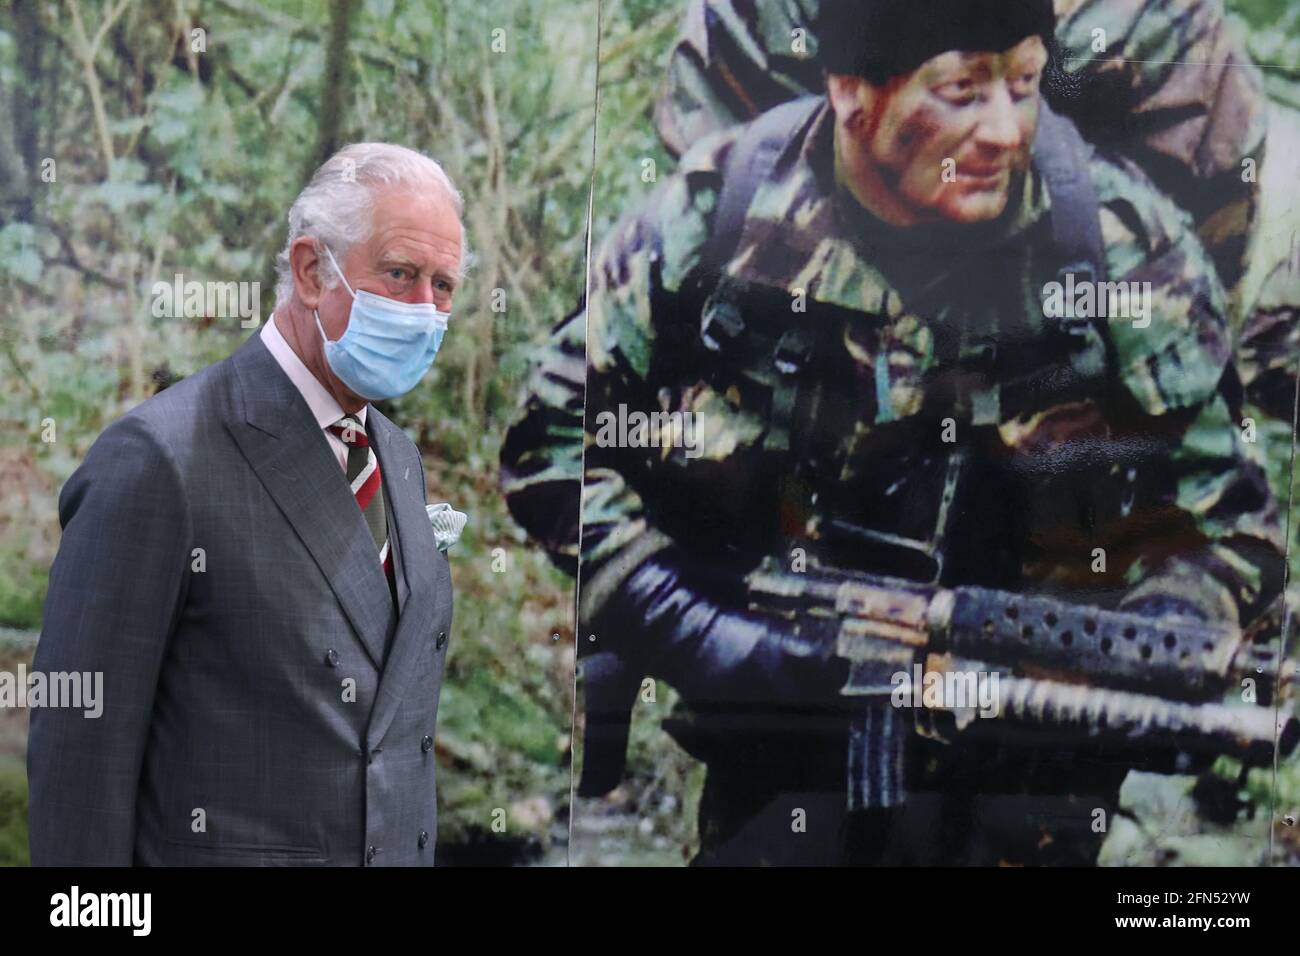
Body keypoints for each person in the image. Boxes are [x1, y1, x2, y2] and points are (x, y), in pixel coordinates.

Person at [502, 0, 1285, 865]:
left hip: (1031, 780)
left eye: (1025, 84)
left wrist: (1142, 649)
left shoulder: (1116, 249)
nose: (1005, 130)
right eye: (960, 91)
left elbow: (1235, 533)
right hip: (781, 752)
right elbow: (552, 440)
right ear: (852, 91)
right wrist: (693, 631)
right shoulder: (717, 212)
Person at [27, 143, 464, 866]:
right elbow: (81, 757)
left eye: (443, 287)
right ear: (311, 269)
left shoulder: (401, 462)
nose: (424, 310)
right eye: (400, 274)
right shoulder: (162, 457)